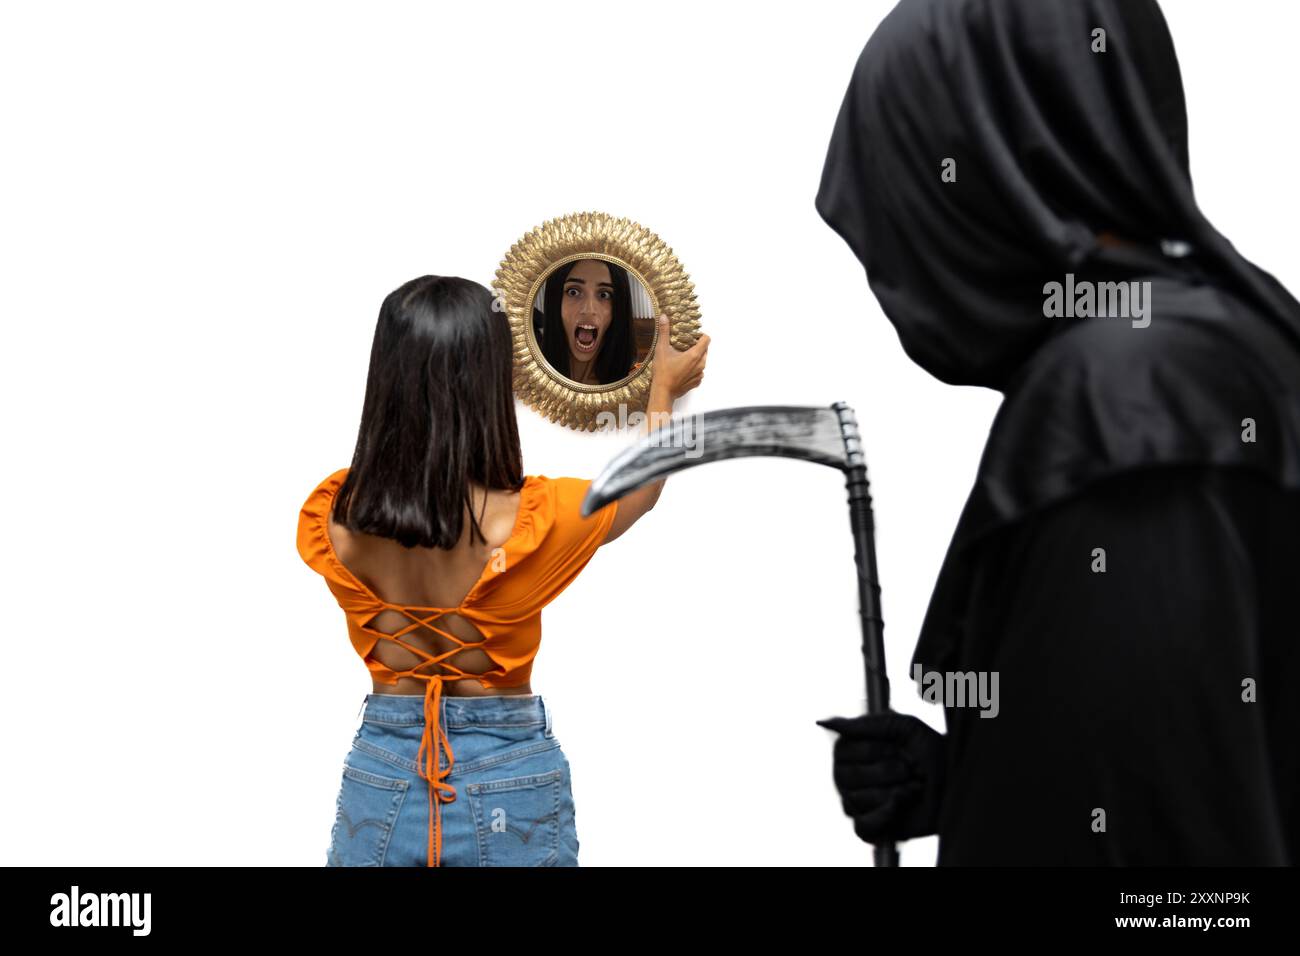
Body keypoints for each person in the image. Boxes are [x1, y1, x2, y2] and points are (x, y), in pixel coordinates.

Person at [813, 0, 1300, 865]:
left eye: (902, 196)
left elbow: (1176, 873)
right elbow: (1171, 767)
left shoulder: (1130, 397)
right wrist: (966, 780)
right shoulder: (1222, 343)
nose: (889, 272)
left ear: (986, 168)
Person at [297, 275, 709, 866]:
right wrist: (664, 390)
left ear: (385, 375)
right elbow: (643, 490)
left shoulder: (335, 517)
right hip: (508, 778)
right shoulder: (539, 519)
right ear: (490, 378)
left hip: (382, 777)